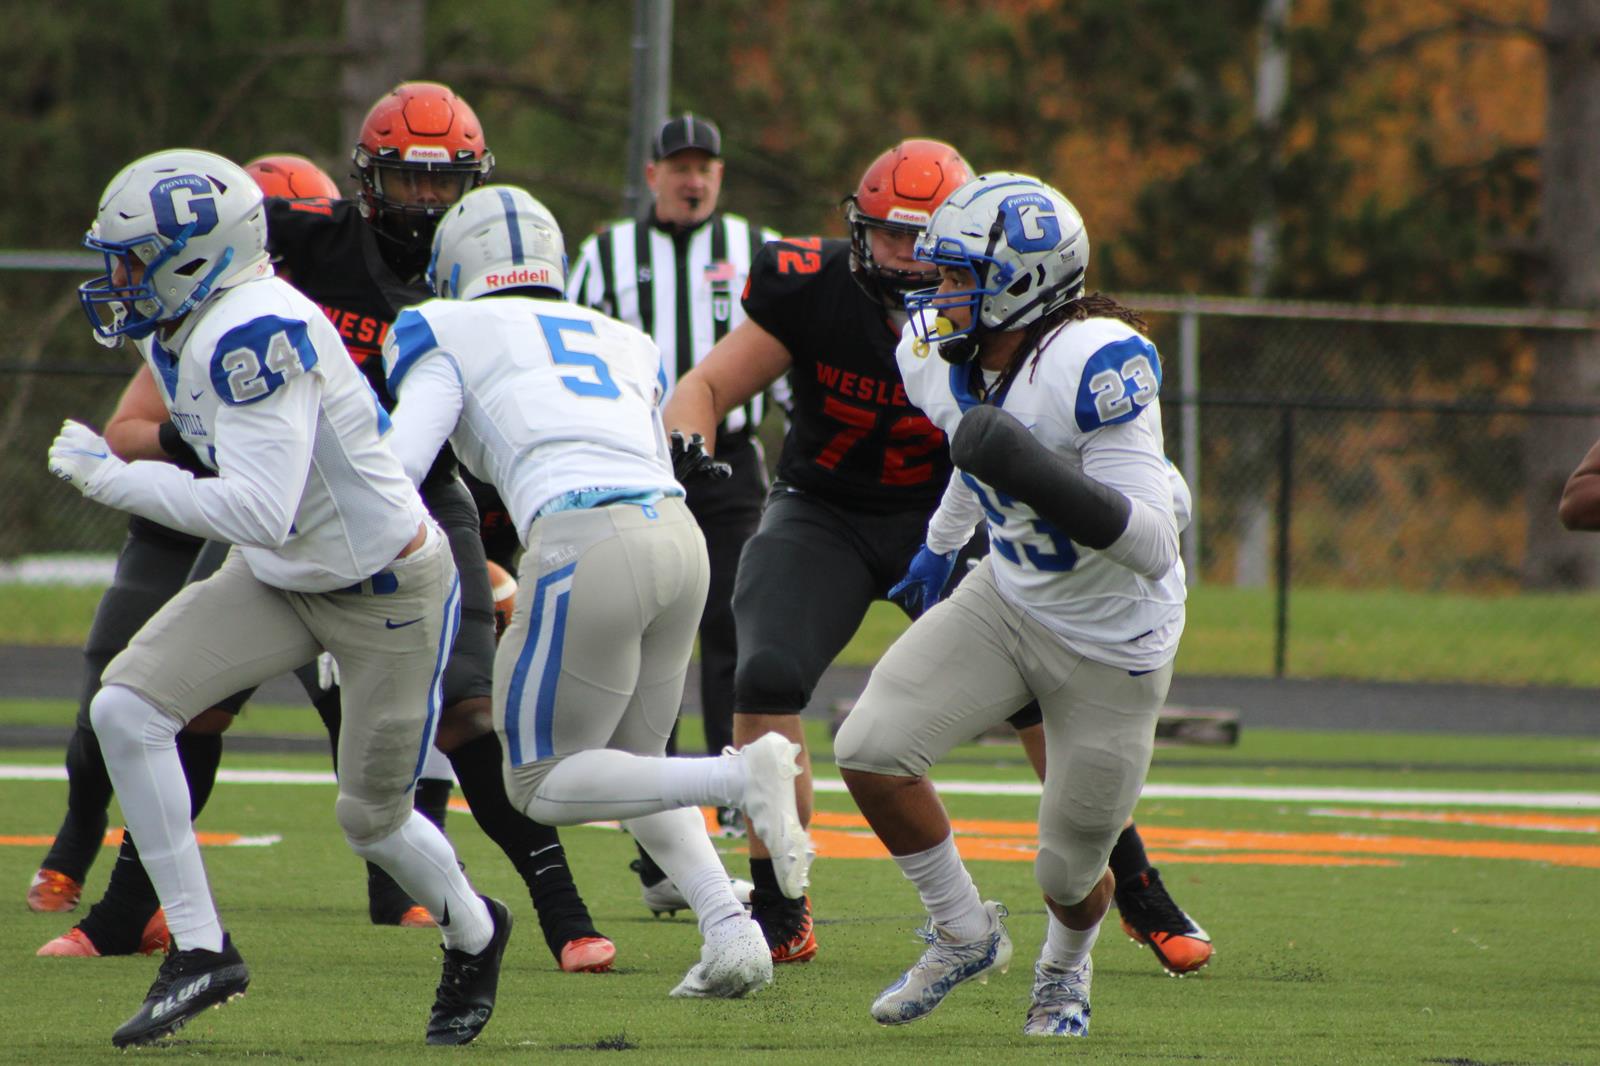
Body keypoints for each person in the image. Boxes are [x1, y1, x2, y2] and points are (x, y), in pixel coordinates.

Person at [35, 85, 615, 976]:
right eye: (407, 180)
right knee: (173, 702)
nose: (427, 203)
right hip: (290, 506)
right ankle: (137, 915)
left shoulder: (472, 270)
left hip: (412, 507)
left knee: (462, 715)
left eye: (444, 182)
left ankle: (557, 911)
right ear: (366, 179)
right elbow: (214, 243)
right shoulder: (301, 240)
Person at [663, 140, 1213, 975]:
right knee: (768, 671)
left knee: (1042, 702)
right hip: (830, 509)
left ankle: (1128, 879)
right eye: (891, 237)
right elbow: (706, 389)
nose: (916, 267)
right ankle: (788, 903)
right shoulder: (861, 309)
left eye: (938, 254)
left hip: (985, 531)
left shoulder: (1061, 350)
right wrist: (684, 454)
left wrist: (975, 508)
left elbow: (1138, 530)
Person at [52, 148, 509, 1047]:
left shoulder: (256, 329)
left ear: (194, 259)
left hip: (383, 591)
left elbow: (255, 508)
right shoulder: (185, 315)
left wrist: (113, 482)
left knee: (372, 821)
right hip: (281, 574)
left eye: (133, 259)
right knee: (125, 709)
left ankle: (475, 927)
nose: (117, 278)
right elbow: (266, 525)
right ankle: (199, 949)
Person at [380, 182, 813, 998]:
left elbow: (400, 468)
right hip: (679, 538)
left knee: (536, 781)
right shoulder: (621, 337)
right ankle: (729, 930)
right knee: (633, 763)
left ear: (458, 264)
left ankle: (737, 777)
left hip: (586, 539)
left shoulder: (443, 325)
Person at [834, 171, 1188, 1037]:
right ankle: (961, 931)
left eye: (958, 277)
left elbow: (1151, 542)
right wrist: (943, 543)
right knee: (870, 749)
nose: (935, 292)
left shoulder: (1092, 358)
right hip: (1011, 594)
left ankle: (1066, 972)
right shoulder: (943, 355)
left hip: (1113, 640)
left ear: (1022, 283)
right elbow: (974, 441)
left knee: (1068, 874)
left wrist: (1025, 462)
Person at [567, 112, 777, 906]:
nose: (693, 179)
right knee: (644, 636)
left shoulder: (755, 249)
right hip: (636, 460)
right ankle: (659, 823)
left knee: (734, 626)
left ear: (720, 175)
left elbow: (783, 354)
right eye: (678, 165)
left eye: (706, 166)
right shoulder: (606, 255)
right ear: (652, 174)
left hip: (730, 463)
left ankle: (725, 800)